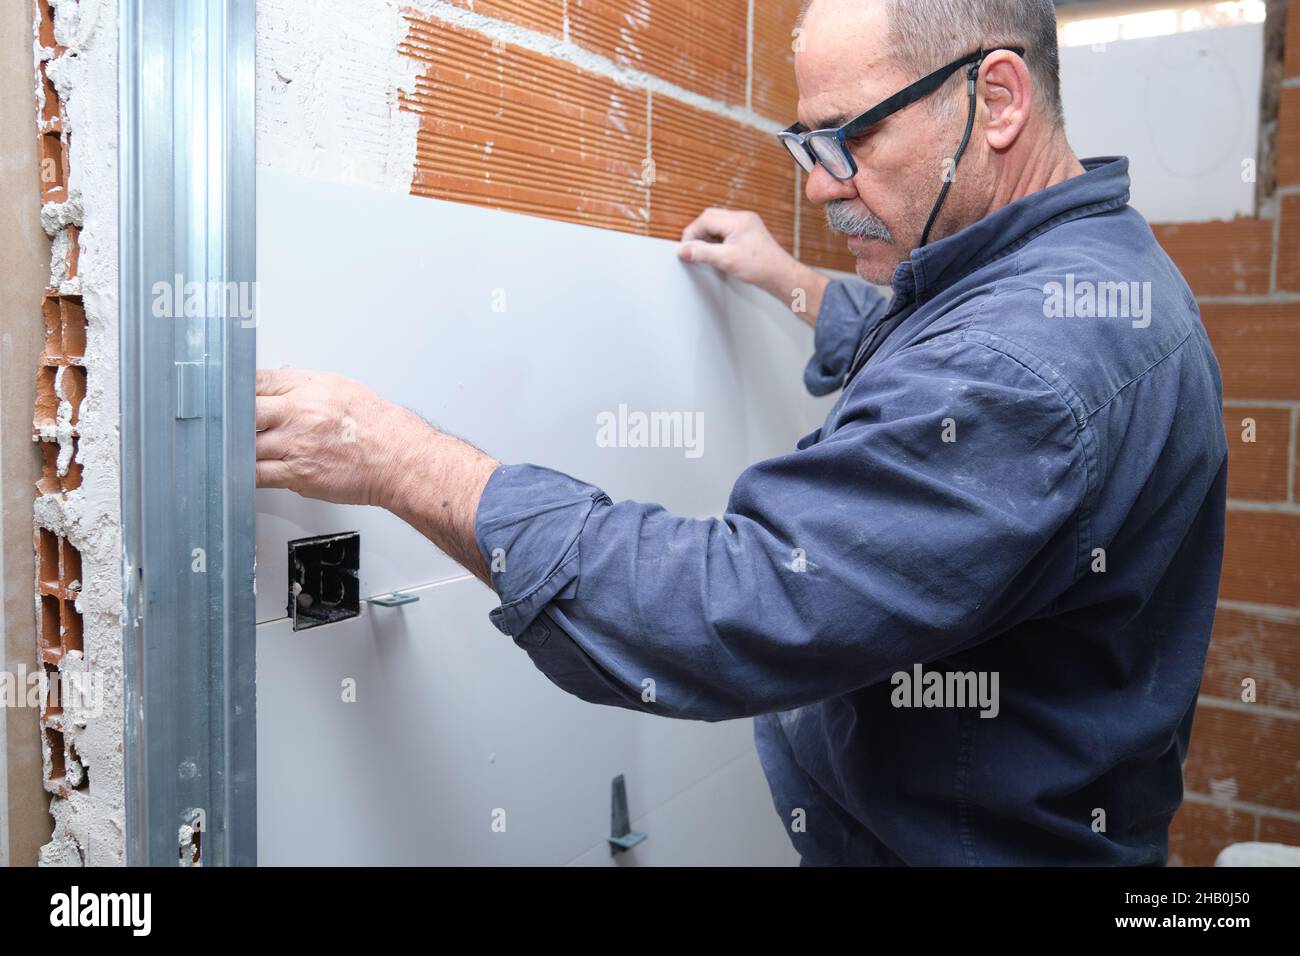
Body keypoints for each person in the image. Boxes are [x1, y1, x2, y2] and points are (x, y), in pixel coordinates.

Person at [254, 0, 1227, 865]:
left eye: (848, 137)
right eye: (807, 144)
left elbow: (732, 602)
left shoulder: (1026, 367)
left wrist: (400, 459)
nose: (819, 186)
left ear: (998, 99)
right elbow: (933, 342)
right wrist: (790, 280)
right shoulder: (1085, 270)